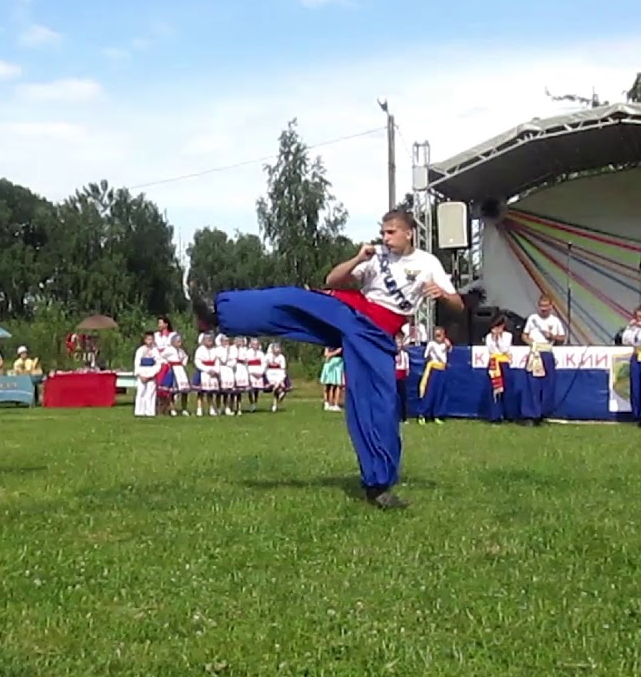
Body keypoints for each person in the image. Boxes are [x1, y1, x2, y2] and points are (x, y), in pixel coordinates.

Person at [192, 209, 462, 509]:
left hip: (377, 333)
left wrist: (443, 295)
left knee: (377, 405)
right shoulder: (376, 257)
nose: (385, 238)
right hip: (351, 311)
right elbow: (333, 278)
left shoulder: (428, 263)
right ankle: (218, 312)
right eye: (383, 232)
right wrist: (359, 258)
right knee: (293, 300)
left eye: (391, 232)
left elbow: (458, 306)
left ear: (409, 232)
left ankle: (379, 484)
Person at [520, 297, 566, 426]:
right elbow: (524, 335)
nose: (543, 309)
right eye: (541, 306)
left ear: (551, 306)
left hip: (547, 352)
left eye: (546, 306)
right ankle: (529, 415)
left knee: (547, 385)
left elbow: (562, 338)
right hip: (535, 353)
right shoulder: (532, 319)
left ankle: (543, 414)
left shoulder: (555, 321)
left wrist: (553, 337)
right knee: (532, 385)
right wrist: (531, 344)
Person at [483, 315, 515, 423]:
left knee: (506, 389)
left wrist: (499, 338)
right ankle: (495, 415)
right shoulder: (488, 337)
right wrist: (494, 338)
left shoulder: (508, 336)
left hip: (504, 362)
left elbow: (504, 349)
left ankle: (508, 414)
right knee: (494, 390)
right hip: (494, 363)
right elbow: (491, 349)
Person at [418, 326, 452, 424]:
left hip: (442, 369)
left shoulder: (445, 344)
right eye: (436, 336)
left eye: (440, 335)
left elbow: (449, 351)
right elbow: (425, 355)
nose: (438, 338)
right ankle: (423, 414)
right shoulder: (431, 344)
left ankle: (437, 414)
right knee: (429, 392)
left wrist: (448, 345)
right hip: (433, 369)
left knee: (440, 393)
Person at [133, 332, 161, 417]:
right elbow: (136, 363)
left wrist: (151, 375)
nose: (150, 341)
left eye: (152, 339)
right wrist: (140, 375)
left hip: (151, 373)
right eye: (148, 339)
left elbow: (158, 364)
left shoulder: (155, 350)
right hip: (142, 372)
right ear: (145, 340)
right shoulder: (140, 350)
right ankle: (139, 411)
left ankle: (150, 412)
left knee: (150, 394)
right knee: (141, 392)